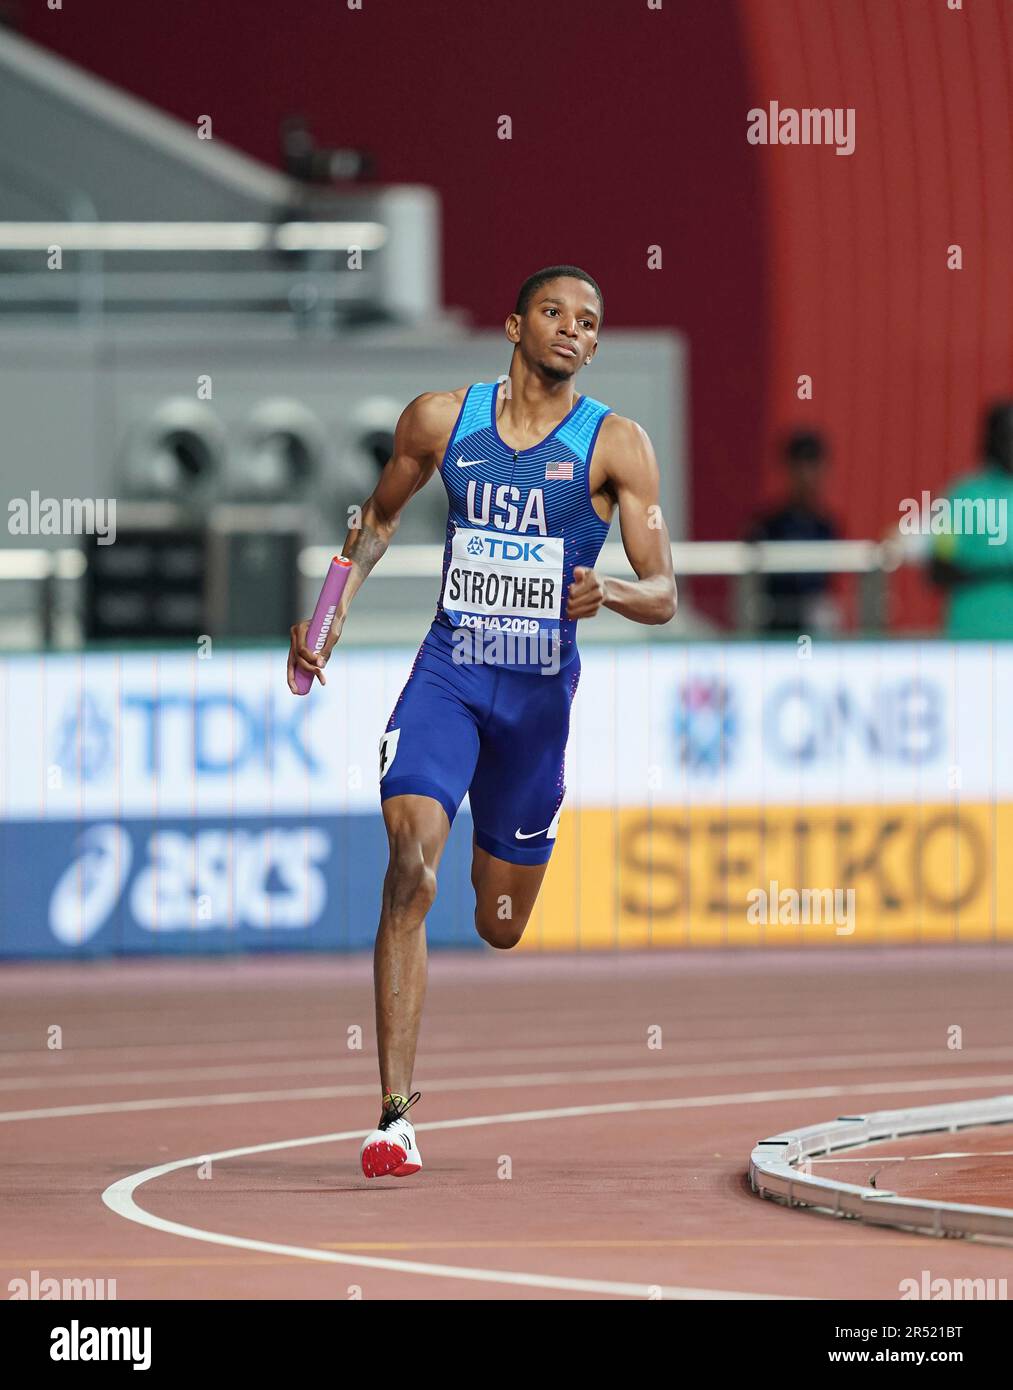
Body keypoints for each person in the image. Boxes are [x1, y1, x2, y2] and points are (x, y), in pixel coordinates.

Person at [287, 266, 677, 1178]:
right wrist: (327, 617)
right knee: (410, 868)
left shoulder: (616, 445)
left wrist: (609, 590)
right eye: (553, 312)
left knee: (499, 922)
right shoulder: (439, 419)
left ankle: (496, 879)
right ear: (512, 323)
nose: (572, 330)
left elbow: (664, 592)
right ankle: (394, 1118)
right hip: (450, 676)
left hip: (536, 705)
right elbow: (376, 520)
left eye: (589, 319)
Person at [929, 401, 1013, 638]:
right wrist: (998, 572)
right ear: (992, 440)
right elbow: (938, 568)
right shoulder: (961, 497)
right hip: (972, 639)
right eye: (1008, 436)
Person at [746, 429, 840, 633]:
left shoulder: (827, 526)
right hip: (772, 627)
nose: (807, 475)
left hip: (815, 629)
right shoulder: (767, 526)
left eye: (812, 464)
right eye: (800, 465)